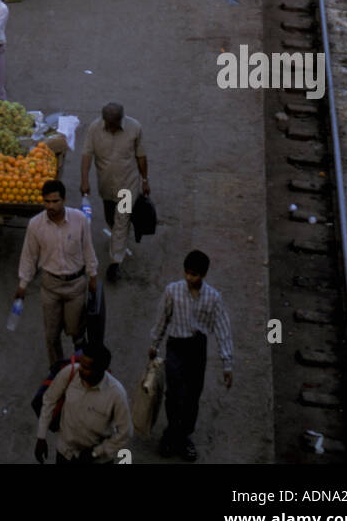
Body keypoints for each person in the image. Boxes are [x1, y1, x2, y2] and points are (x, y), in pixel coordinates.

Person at [149, 249, 233, 462]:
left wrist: (227, 364)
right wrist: (154, 343)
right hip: (176, 346)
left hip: (197, 349)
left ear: (203, 275)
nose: (189, 278)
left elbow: (223, 329)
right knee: (174, 393)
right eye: (187, 273)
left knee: (193, 395)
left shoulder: (214, 298)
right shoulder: (172, 291)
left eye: (194, 274)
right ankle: (171, 433)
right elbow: (162, 318)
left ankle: (183, 436)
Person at [15, 178, 99, 367]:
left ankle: (80, 368)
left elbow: (88, 249)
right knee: (51, 335)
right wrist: (23, 285)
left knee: (76, 331)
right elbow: (29, 256)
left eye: (55, 201)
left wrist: (92, 275)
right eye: (47, 202)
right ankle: (57, 371)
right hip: (50, 286)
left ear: (64, 200)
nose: (50, 206)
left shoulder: (79, 220)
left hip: (76, 286)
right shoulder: (35, 225)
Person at [80, 103, 148, 281]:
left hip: (127, 186)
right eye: (109, 123)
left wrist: (145, 180)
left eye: (115, 123)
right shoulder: (94, 129)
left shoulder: (134, 128)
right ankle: (119, 237)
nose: (111, 127)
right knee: (111, 217)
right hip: (106, 185)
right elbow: (87, 155)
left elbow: (141, 156)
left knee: (122, 219)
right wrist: (85, 180)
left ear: (121, 119)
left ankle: (115, 262)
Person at [35, 341, 132, 465]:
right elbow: (49, 400)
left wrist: (97, 452)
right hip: (66, 454)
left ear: (100, 370)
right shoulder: (70, 373)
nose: (80, 369)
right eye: (81, 363)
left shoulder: (116, 394)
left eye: (86, 367)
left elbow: (125, 432)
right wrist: (41, 436)